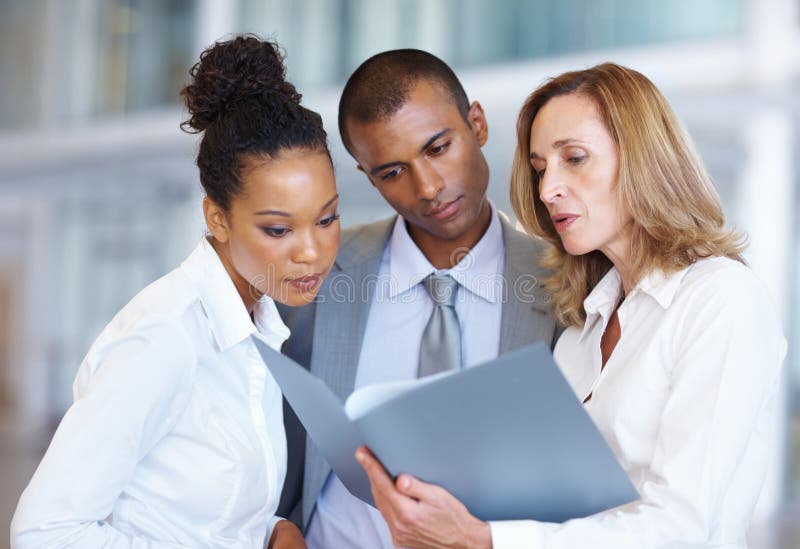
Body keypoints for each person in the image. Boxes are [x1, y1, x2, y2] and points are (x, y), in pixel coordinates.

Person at [354, 62, 787, 548]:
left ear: (643, 156)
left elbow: (681, 527)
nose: (547, 189)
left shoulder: (720, 298)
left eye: (575, 158)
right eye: (540, 169)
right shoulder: (581, 331)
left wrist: (484, 540)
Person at [11, 35, 340, 549]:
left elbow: (195, 512)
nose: (312, 252)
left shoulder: (258, 327)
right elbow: (44, 533)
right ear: (217, 217)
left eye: (326, 218)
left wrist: (274, 531)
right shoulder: (165, 336)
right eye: (278, 229)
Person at [277, 49, 559, 548]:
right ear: (367, 176)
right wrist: (274, 528)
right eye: (392, 172)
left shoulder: (563, 285)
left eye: (437, 148)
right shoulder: (316, 276)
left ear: (477, 123)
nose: (427, 187)